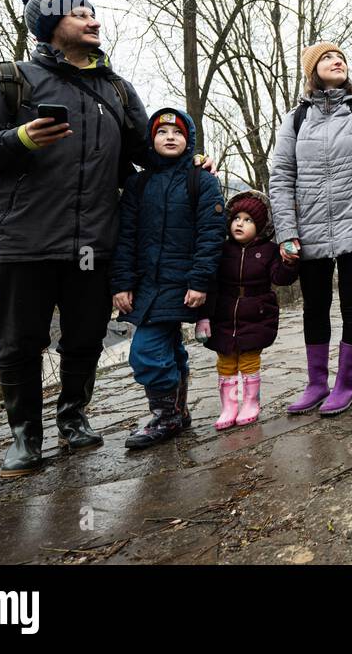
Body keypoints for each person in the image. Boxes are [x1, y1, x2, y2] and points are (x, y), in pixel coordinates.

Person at [0, 0, 214, 478]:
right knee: (18, 344)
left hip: (93, 245)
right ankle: (25, 438)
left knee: (85, 338)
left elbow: (147, 153)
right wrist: (19, 139)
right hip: (20, 243)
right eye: (79, 14)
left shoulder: (115, 89)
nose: (92, 20)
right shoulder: (11, 80)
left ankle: (73, 420)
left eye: (93, 13)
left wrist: (189, 162)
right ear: (50, 26)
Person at [269, 42, 352, 416]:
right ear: (312, 71)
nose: (336, 60)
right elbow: (281, 177)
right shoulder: (295, 119)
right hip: (310, 230)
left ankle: (346, 384)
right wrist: (286, 231)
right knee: (315, 308)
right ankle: (316, 383)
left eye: (340, 57)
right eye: (326, 57)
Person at [112, 108, 225, 450]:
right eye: (162, 132)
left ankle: (167, 416)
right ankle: (175, 411)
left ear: (189, 140)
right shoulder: (138, 183)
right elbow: (125, 236)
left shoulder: (201, 180)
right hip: (149, 284)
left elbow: (211, 234)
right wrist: (121, 283)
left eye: (178, 132)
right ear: (152, 140)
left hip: (184, 281)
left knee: (146, 351)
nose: (170, 137)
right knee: (167, 348)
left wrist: (199, 281)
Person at [196, 190, 299, 430]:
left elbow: (281, 278)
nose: (240, 224)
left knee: (250, 358)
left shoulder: (269, 250)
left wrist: (289, 263)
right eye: (237, 218)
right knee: (225, 360)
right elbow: (209, 283)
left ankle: (251, 402)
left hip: (256, 312)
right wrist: (203, 317)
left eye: (248, 220)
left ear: (260, 226)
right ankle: (229, 406)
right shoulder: (221, 250)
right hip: (223, 312)